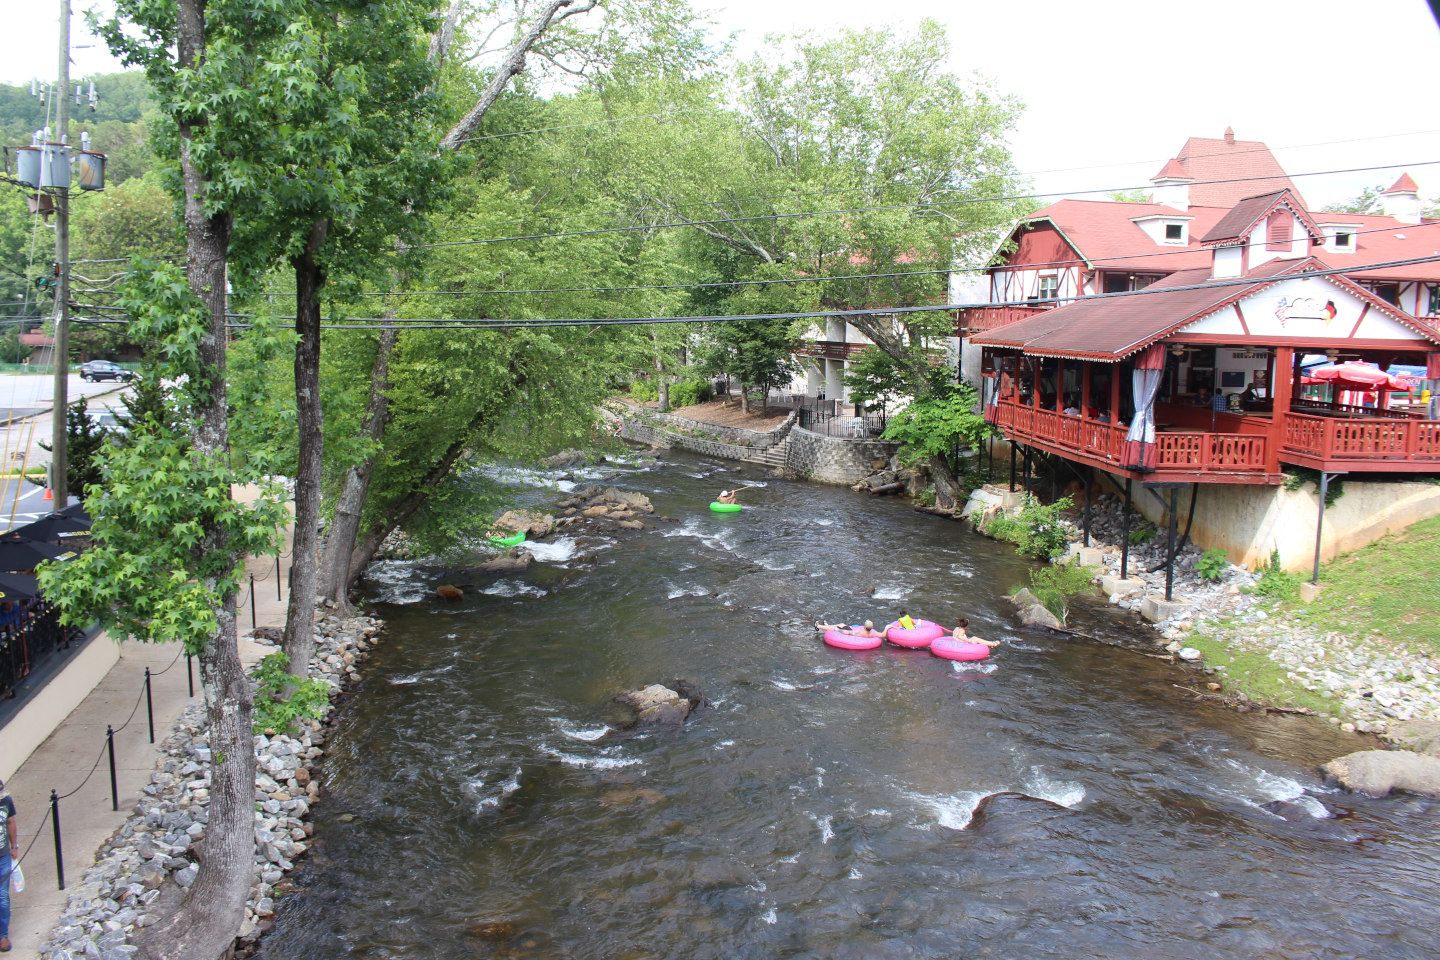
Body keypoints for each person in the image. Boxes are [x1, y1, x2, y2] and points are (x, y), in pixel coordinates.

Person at [0, 777, 17, 953]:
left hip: (3, 856)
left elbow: (11, 821)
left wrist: (14, 846)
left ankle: (2, 935)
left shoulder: (6, 801)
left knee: (2, 898)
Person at [814, 619, 882, 638]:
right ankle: (827, 625)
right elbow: (882, 635)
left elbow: (847, 632)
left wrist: (839, 630)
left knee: (835, 628)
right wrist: (888, 627)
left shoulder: (859, 632)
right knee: (842, 624)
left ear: (864, 627)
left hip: (850, 635)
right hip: (851, 631)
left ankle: (818, 626)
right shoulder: (873, 633)